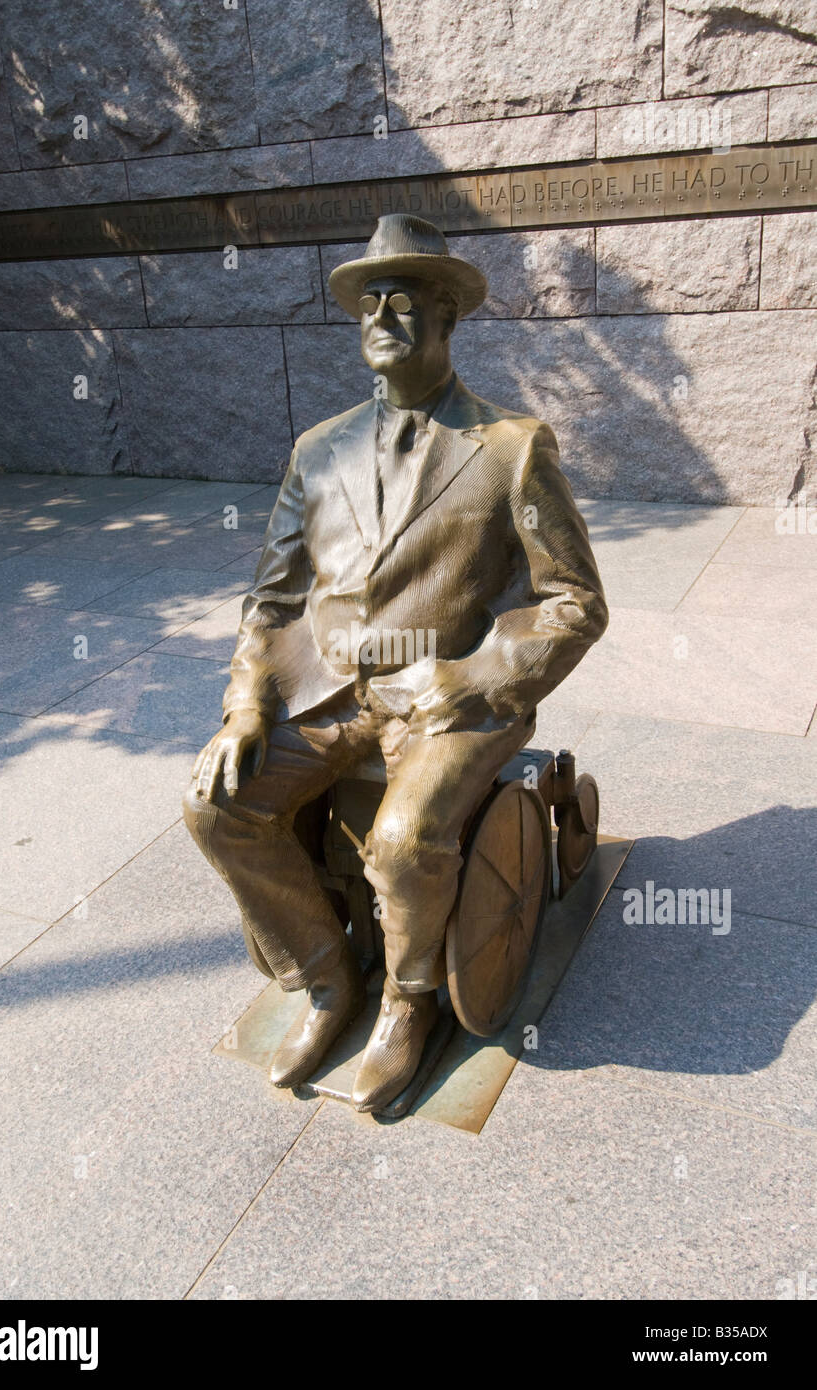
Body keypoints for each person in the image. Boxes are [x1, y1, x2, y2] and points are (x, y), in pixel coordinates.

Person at [184, 213, 608, 1112]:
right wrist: (247, 708)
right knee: (213, 806)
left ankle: (409, 1004)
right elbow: (271, 600)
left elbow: (575, 600)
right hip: (328, 688)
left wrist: (473, 674)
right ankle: (328, 978)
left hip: (450, 697)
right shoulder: (319, 449)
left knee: (406, 841)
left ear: (449, 314)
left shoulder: (511, 447)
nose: (380, 314)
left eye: (403, 300)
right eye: (367, 302)